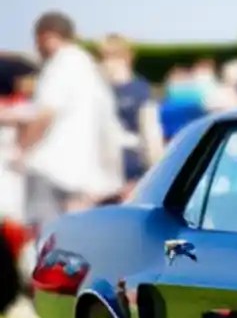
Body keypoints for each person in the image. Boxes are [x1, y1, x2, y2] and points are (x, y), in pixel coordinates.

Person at [0, 12, 124, 232]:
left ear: (46, 36)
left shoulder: (60, 64)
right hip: (82, 169)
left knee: (46, 236)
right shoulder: (86, 65)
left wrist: (22, 150)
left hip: (52, 168)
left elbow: (45, 114)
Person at [99, 34, 163, 181]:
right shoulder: (96, 90)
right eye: (106, 56)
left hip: (130, 165)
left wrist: (154, 170)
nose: (109, 62)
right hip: (104, 167)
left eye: (113, 55)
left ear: (127, 57)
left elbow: (151, 134)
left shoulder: (140, 90)